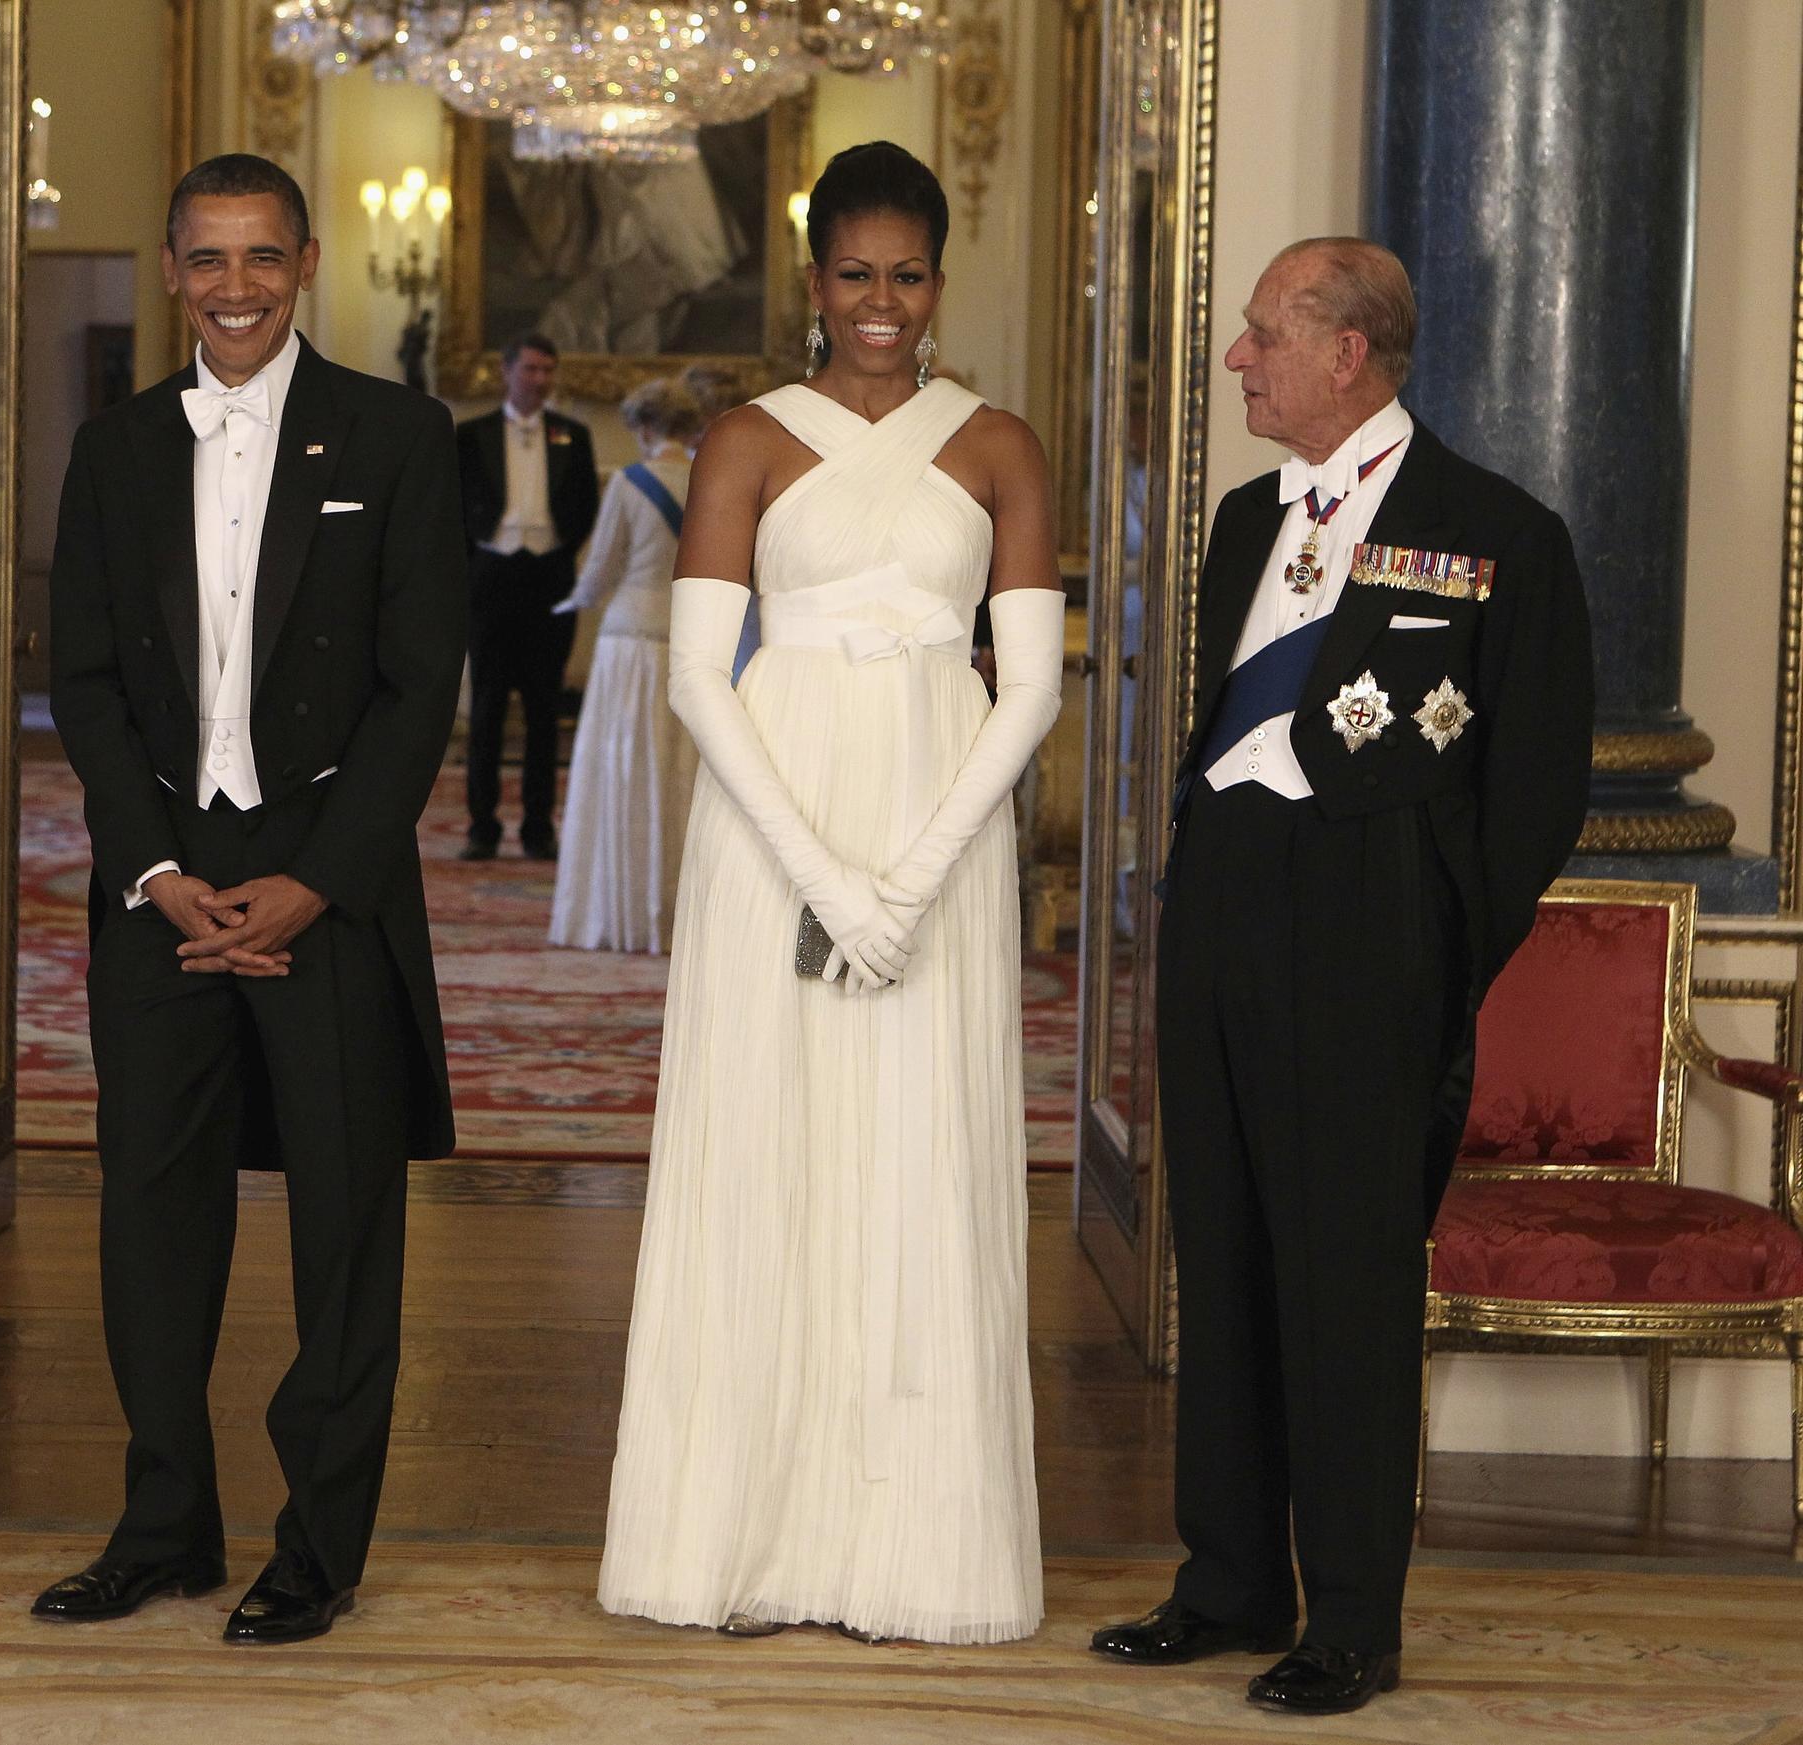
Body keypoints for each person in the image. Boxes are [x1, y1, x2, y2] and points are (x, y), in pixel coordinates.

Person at [1089, 239, 1592, 1716]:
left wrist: (1439, 942)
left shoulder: (1495, 528)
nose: (1239, 360)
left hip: (1373, 930)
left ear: (1346, 352)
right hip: (1227, 912)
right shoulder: (1249, 520)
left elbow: (1538, 783)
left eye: (1260, 336)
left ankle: (1353, 1619)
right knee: (1227, 1252)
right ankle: (1231, 1579)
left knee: (1348, 1275)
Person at [598, 142, 1064, 1644]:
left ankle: (919, 1554)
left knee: (920, 1158)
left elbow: (1033, 691)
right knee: (768, 1149)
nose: (881, 303)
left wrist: (909, 884)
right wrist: (826, 884)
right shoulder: (745, 438)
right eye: (853, 274)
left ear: (939, 280)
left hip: (943, 823)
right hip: (771, 824)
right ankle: (737, 1536)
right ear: (814, 282)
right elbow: (696, 677)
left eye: (908, 274)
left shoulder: (998, 443)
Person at [38, 154, 467, 1645]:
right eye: (209, 258)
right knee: (152, 1224)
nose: (236, 286)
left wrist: (314, 880)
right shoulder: (113, 451)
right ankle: (165, 1526)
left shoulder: (402, 438)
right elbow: (80, 682)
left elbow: (423, 692)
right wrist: (152, 872)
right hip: (159, 885)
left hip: (327, 889)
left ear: (307, 263)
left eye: (263, 258)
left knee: (344, 1229)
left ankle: (319, 1546)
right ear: (171, 268)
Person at [548, 379, 705, 953]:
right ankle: (679, 912)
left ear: (641, 428)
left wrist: (569, 602)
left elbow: (600, 569)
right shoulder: (707, 479)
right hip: (687, 639)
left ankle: (619, 908)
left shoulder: (629, 482)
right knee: (679, 774)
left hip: (629, 641)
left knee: (624, 771)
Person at [456, 334, 600, 860]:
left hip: (549, 581)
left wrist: (555, 550)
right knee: (488, 710)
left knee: (544, 712)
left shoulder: (572, 435)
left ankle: (538, 827)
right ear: (507, 370)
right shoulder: (470, 436)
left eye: (548, 371)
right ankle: (482, 827)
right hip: (490, 581)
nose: (540, 380)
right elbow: (452, 506)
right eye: (532, 369)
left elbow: (585, 505)